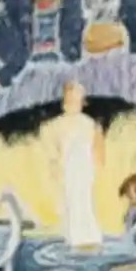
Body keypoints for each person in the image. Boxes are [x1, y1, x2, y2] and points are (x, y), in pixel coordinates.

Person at [40, 81, 105, 252]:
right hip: (67, 168)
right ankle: (75, 239)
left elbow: (97, 149)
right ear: (64, 101)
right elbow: (51, 146)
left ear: (82, 102)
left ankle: (89, 237)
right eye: (69, 99)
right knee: (70, 202)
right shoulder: (57, 124)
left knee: (84, 201)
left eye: (76, 99)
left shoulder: (88, 123)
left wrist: (96, 168)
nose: (73, 103)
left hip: (84, 168)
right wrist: (56, 166)